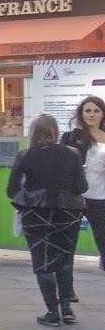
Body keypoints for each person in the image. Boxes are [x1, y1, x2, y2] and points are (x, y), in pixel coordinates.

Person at [9, 114, 86, 326]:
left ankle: (52, 313)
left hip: (36, 213)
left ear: (33, 132)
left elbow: (11, 190)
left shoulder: (25, 155)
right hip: (68, 213)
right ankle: (67, 310)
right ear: (56, 131)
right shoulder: (72, 154)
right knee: (64, 259)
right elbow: (82, 188)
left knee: (42, 261)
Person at [62, 95, 105, 272]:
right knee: (67, 243)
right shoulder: (70, 137)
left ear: (102, 114)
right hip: (74, 197)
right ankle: (67, 287)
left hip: (100, 198)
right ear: (81, 114)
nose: (92, 115)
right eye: (88, 111)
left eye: (96, 111)